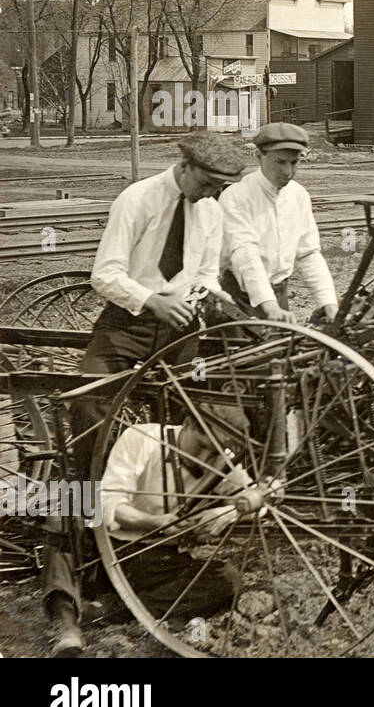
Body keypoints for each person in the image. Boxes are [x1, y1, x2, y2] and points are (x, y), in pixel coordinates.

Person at [49, 132, 246, 655]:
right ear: (184, 166)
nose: (214, 195)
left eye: (223, 187)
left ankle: (173, 524)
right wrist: (153, 302)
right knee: (89, 406)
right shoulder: (136, 199)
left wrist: (215, 301)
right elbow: (105, 274)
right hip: (128, 320)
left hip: (181, 326)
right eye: (208, 183)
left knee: (198, 421)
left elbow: (203, 273)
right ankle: (95, 511)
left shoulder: (211, 208)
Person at [97, 405, 253, 621]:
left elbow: (258, 500)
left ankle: (123, 609)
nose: (205, 457)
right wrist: (154, 522)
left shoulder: (221, 459)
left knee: (229, 580)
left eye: (214, 451)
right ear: (187, 423)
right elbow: (106, 504)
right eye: (201, 446)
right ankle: (118, 609)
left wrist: (228, 512)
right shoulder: (141, 438)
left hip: (163, 559)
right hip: (117, 550)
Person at [219, 123, 338, 323]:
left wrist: (329, 303)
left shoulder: (298, 195)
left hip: (278, 295)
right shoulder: (237, 196)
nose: (287, 171)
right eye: (280, 162)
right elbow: (245, 254)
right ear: (259, 156)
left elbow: (308, 253)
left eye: (294, 162)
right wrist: (269, 306)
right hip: (238, 299)